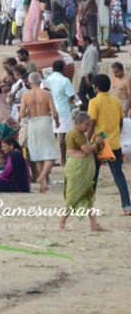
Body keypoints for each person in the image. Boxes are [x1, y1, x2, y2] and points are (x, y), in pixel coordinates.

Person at [87, 74, 131, 215]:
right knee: (118, 175)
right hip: (114, 144)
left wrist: (88, 141)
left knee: (94, 175)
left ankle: (89, 206)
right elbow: (121, 122)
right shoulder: (117, 101)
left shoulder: (94, 102)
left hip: (99, 144)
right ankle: (127, 206)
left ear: (96, 87)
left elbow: (91, 123)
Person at [58, 112, 105, 231]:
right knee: (72, 196)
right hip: (76, 168)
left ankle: (94, 224)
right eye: (86, 124)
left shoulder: (76, 132)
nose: (88, 127)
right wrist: (97, 143)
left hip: (79, 168)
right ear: (79, 123)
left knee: (88, 195)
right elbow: (87, 149)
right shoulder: (76, 133)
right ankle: (61, 224)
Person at [19, 72, 60, 192]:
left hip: (32, 123)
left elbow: (21, 114)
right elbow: (54, 112)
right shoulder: (47, 94)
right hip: (45, 121)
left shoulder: (26, 95)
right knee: (49, 152)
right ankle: (42, 176)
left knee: (36, 153)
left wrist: (29, 112)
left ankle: (42, 183)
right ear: (40, 81)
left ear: (30, 83)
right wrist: (57, 122)